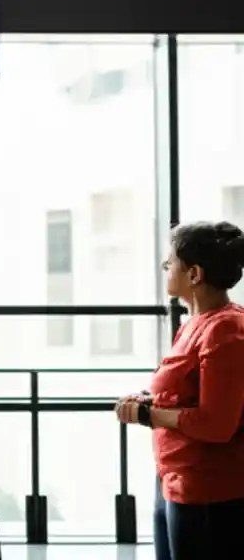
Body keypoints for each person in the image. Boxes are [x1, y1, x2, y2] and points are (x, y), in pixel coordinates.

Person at [115, 221, 244, 560]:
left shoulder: (225, 330)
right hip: (175, 482)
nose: (165, 267)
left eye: (170, 261)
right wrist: (149, 399)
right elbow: (183, 392)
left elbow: (217, 424)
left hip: (208, 495)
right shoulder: (195, 324)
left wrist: (147, 414)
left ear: (194, 274)